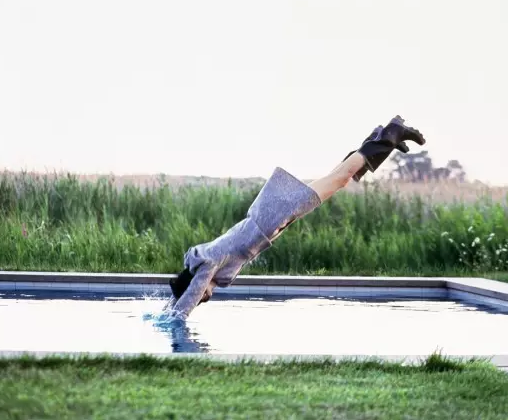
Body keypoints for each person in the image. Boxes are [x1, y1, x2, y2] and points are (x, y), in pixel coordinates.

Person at [163, 115, 426, 319]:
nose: (208, 295)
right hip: (274, 217)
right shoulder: (206, 262)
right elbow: (187, 292)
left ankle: (391, 134)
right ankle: (381, 139)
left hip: (273, 213)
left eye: (205, 296)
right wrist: (171, 306)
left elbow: (189, 296)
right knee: (338, 179)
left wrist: (177, 317)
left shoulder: (206, 263)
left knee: (339, 178)